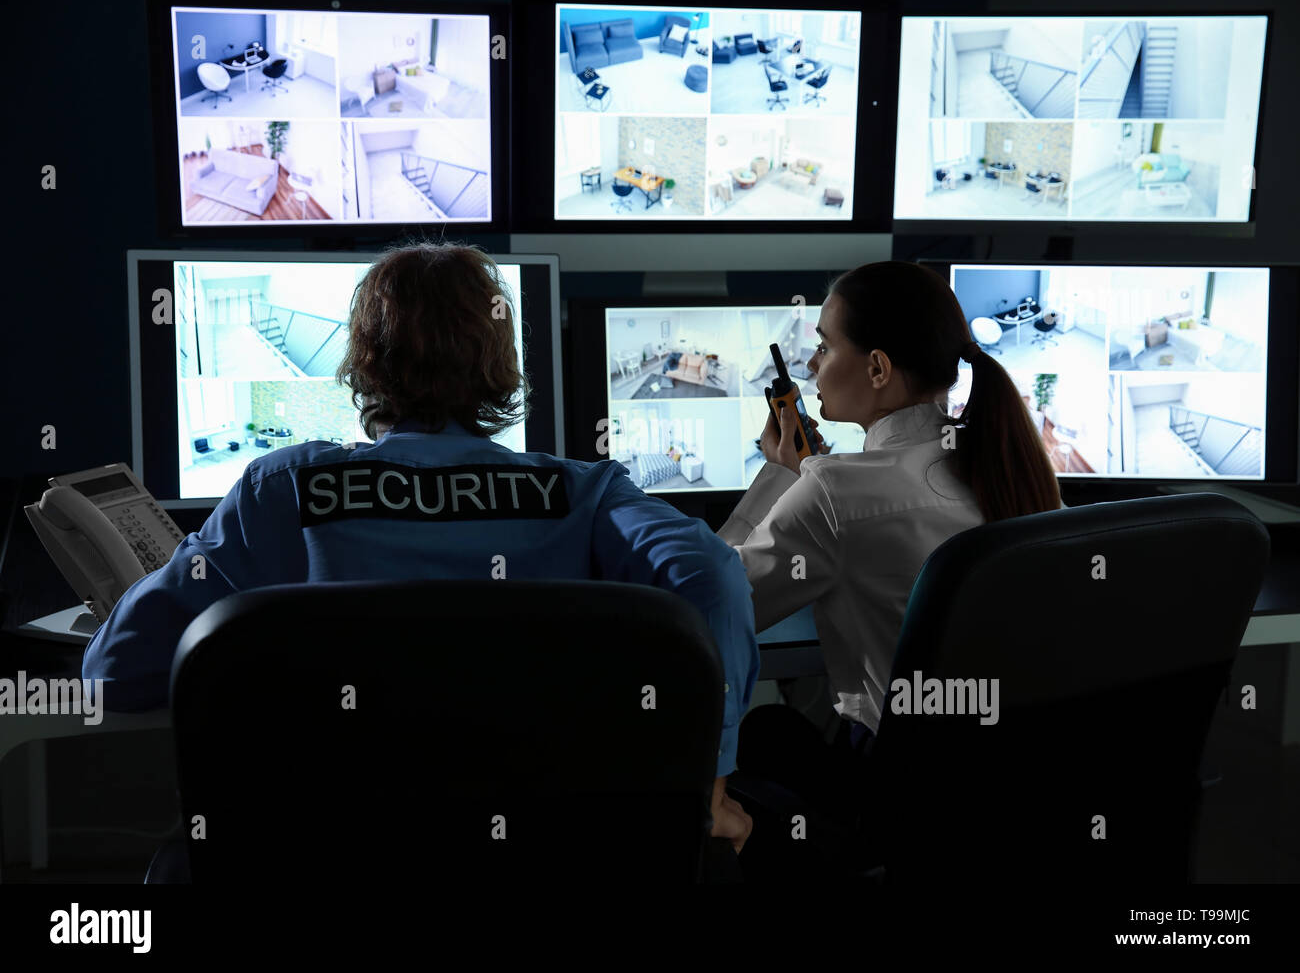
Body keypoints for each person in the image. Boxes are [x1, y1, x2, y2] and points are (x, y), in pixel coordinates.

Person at [83, 242, 757, 863]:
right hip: (547, 860)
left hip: (322, 860)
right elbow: (712, 572)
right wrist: (711, 781)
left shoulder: (285, 491)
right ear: (500, 360)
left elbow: (112, 671)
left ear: (365, 358)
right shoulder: (583, 495)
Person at [718, 261, 1063, 872]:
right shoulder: (1014, 470)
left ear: (877, 368)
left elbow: (714, 601)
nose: (811, 367)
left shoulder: (832, 493)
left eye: (824, 346)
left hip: (899, 796)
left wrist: (778, 476)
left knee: (764, 731)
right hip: (1018, 788)